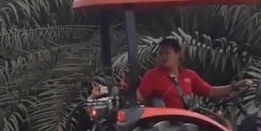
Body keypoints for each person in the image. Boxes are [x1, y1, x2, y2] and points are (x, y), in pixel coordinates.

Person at [91, 37, 252, 108]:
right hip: (169, 125)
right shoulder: (153, 76)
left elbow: (210, 91)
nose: (163, 56)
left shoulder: (189, 76)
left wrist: (234, 86)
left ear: (178, 54)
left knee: (221, 122)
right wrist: (117, 90)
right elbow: (139, 96)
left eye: (167, 52)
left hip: (185, 122)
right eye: (161, 53)